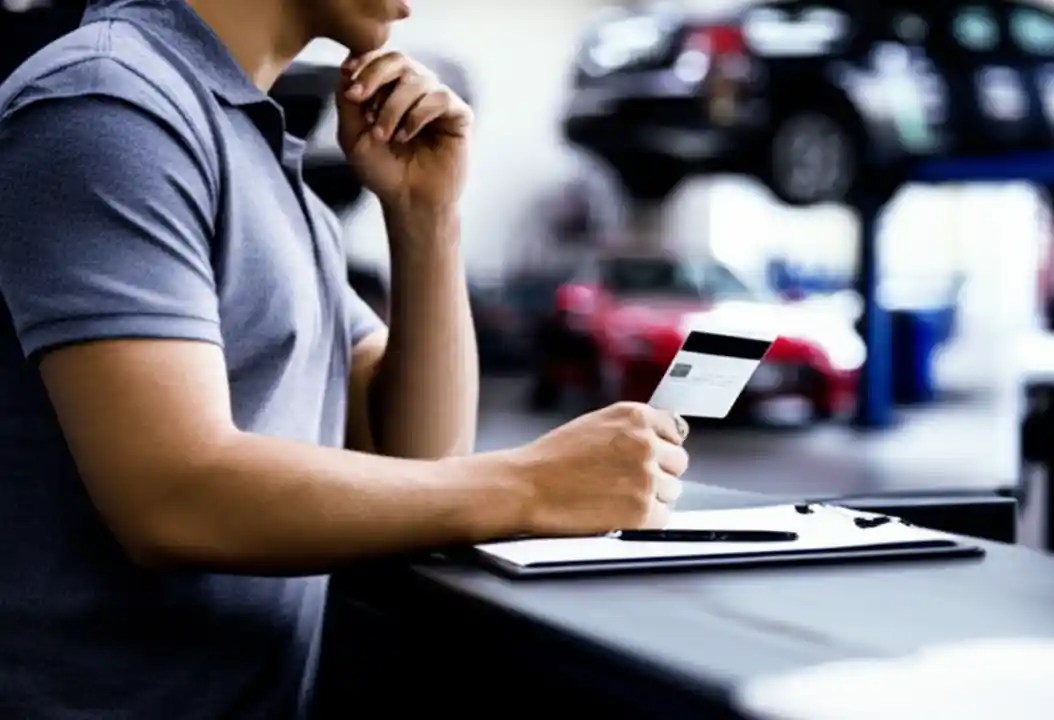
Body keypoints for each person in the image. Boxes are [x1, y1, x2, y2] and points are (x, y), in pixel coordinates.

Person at [0, 0, 690, 718]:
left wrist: (427, 218)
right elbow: (174, 497)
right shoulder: (106, 102)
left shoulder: (260, 154)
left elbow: (417, 464)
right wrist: (532, 486)